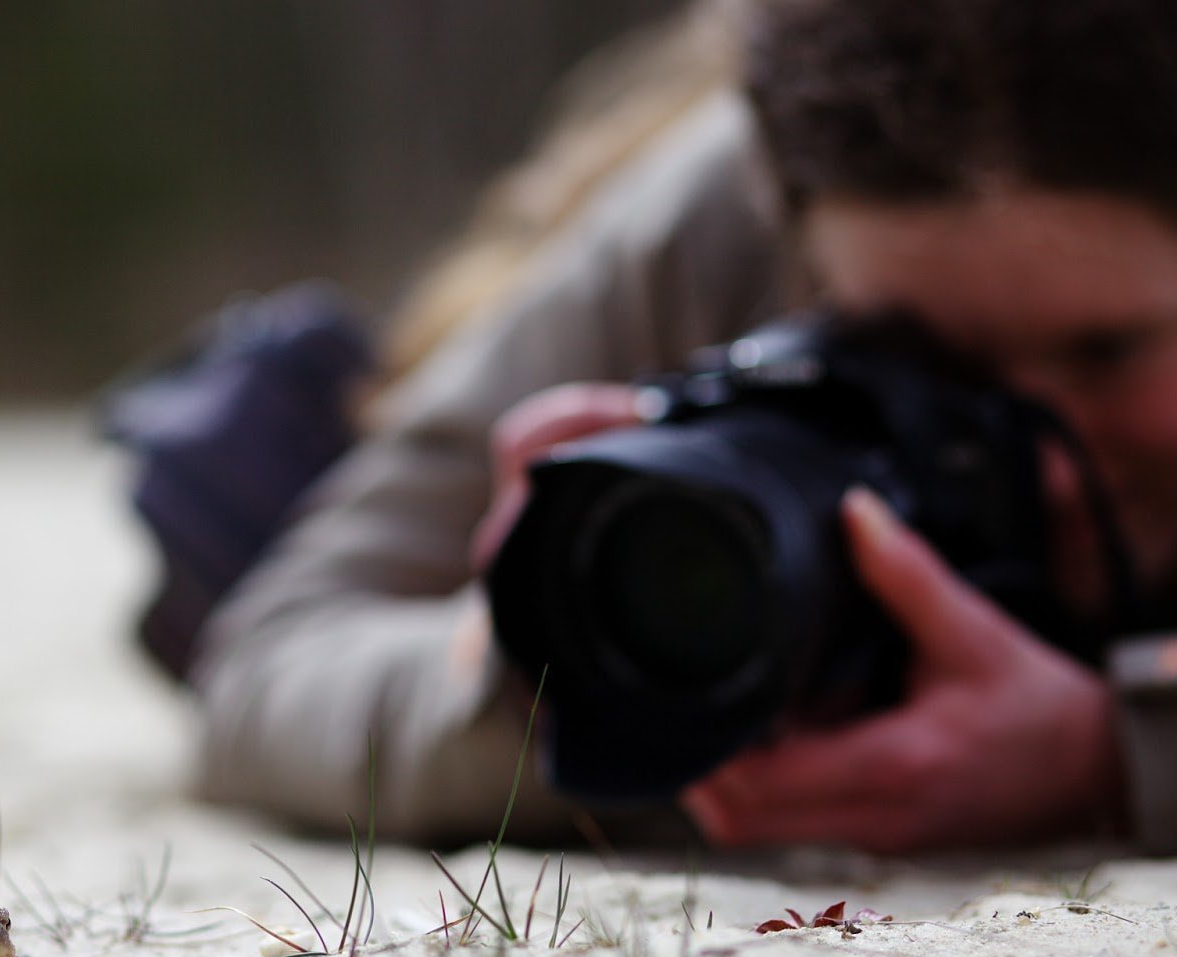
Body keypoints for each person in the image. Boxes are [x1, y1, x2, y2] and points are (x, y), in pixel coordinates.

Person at [188, 0, 1177, 853]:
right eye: (916, 361)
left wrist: (1110, 754)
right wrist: (559, 675)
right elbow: (261, 672)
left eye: (1109, 352)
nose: (1045, 467)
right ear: (789, 231)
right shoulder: (705, 228)